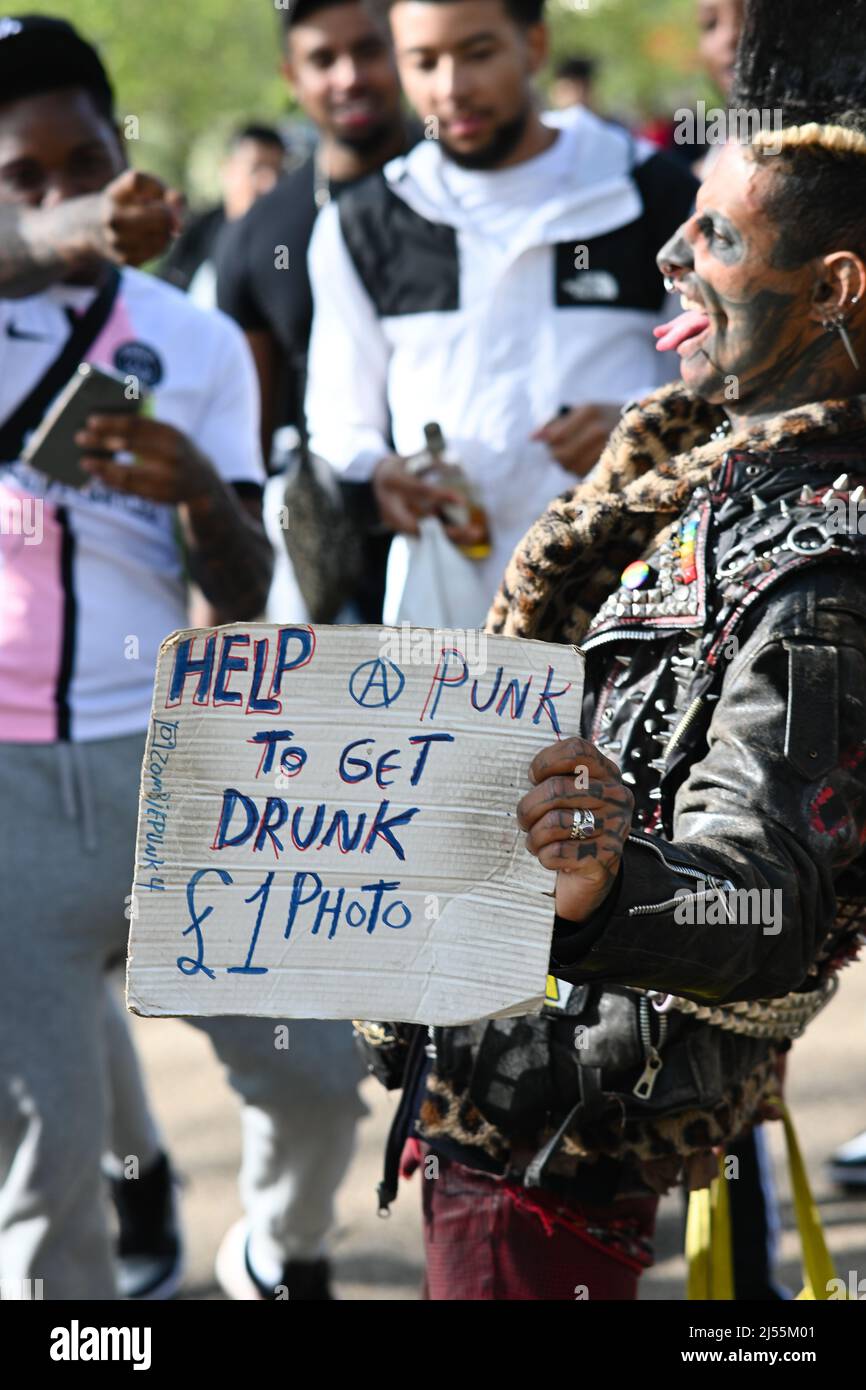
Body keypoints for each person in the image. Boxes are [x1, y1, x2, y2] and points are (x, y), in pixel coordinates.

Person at [355, 0, 866, 1299]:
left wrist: (592, 890)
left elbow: (762, 904)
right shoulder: (707, 476)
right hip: (520, 1107)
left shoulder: (824, 568)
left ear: (833, 286)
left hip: (568, 1140)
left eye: (712, 232)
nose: (665, 252)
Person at [0, 16, 358, 1303]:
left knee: (318, 1074)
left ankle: (278, 1244)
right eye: (18, 177)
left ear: (121, 153)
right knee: (41, 1176)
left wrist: (204, 493)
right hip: (6, 804)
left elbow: (249, 594)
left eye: (82, 162)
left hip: (176, 774)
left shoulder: (191, 340)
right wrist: (60, 232)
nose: (59, 196)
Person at [304, 0, 698, 629]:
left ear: (534, 46)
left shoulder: (655, 193)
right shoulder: (363, 223)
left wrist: (639, 430)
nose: (452, 88)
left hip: (630, 608)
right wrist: (381, 475)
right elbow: (338, 418)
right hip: (443, 627)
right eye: (424, 61)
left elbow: (723, 388)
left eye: (478, 53)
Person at [217, 0, 413, 627]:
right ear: (290, 75)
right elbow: (243, 446)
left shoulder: (472, 198)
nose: (349, 77)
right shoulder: (258, 236)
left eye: (369, 50)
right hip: (327, 573)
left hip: (481, 534)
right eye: (323, 59)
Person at [161, 124, 286, 309]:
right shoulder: (197, 231)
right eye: (257, 170)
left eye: (278, 172)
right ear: (228, 169)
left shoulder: (284, 244)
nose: (269, 184)